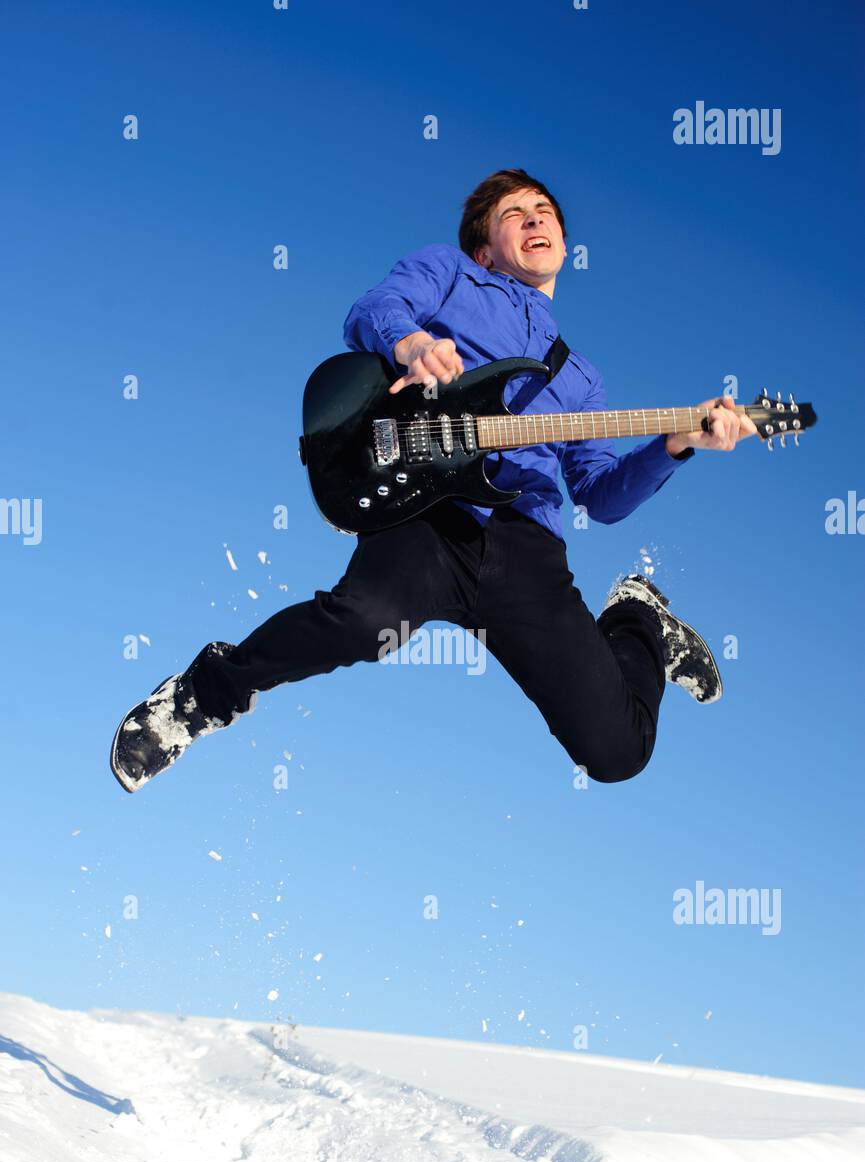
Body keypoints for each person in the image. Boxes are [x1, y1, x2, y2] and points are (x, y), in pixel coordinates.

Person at [111, 167, 757, 794]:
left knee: (617, 752)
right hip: (427, 515)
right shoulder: (451, 274)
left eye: (546, 213)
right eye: (515, 214)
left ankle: (640, 617)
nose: (536, 220)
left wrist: (677, 444)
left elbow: (599, 495)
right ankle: (202, 696)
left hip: (525, 548)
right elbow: (374, 307)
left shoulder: (580, 379)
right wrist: (412, 344)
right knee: (365, 619)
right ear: (484, 247)